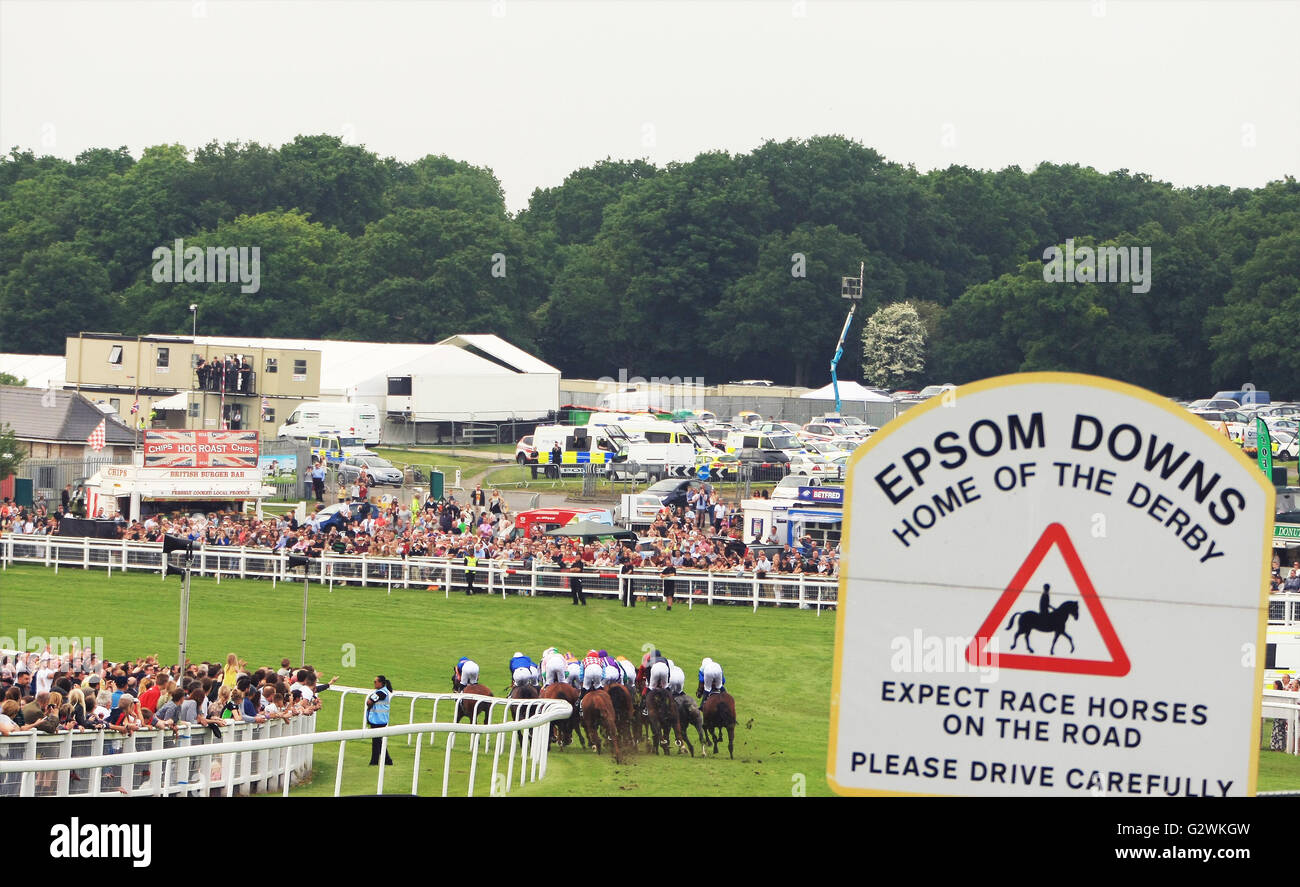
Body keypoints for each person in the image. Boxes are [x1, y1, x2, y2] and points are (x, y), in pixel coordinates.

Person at [366, 675, 393, 766]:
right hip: (379, 719)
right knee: (377, 741)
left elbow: (369, 702)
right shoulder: (381, 691)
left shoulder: (381, 693)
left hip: (378, 720)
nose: (374, 683)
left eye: (375, 682)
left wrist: (369, 701)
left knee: (377, 742)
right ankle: (380, 761)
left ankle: (383, 760)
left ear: (381, 683)